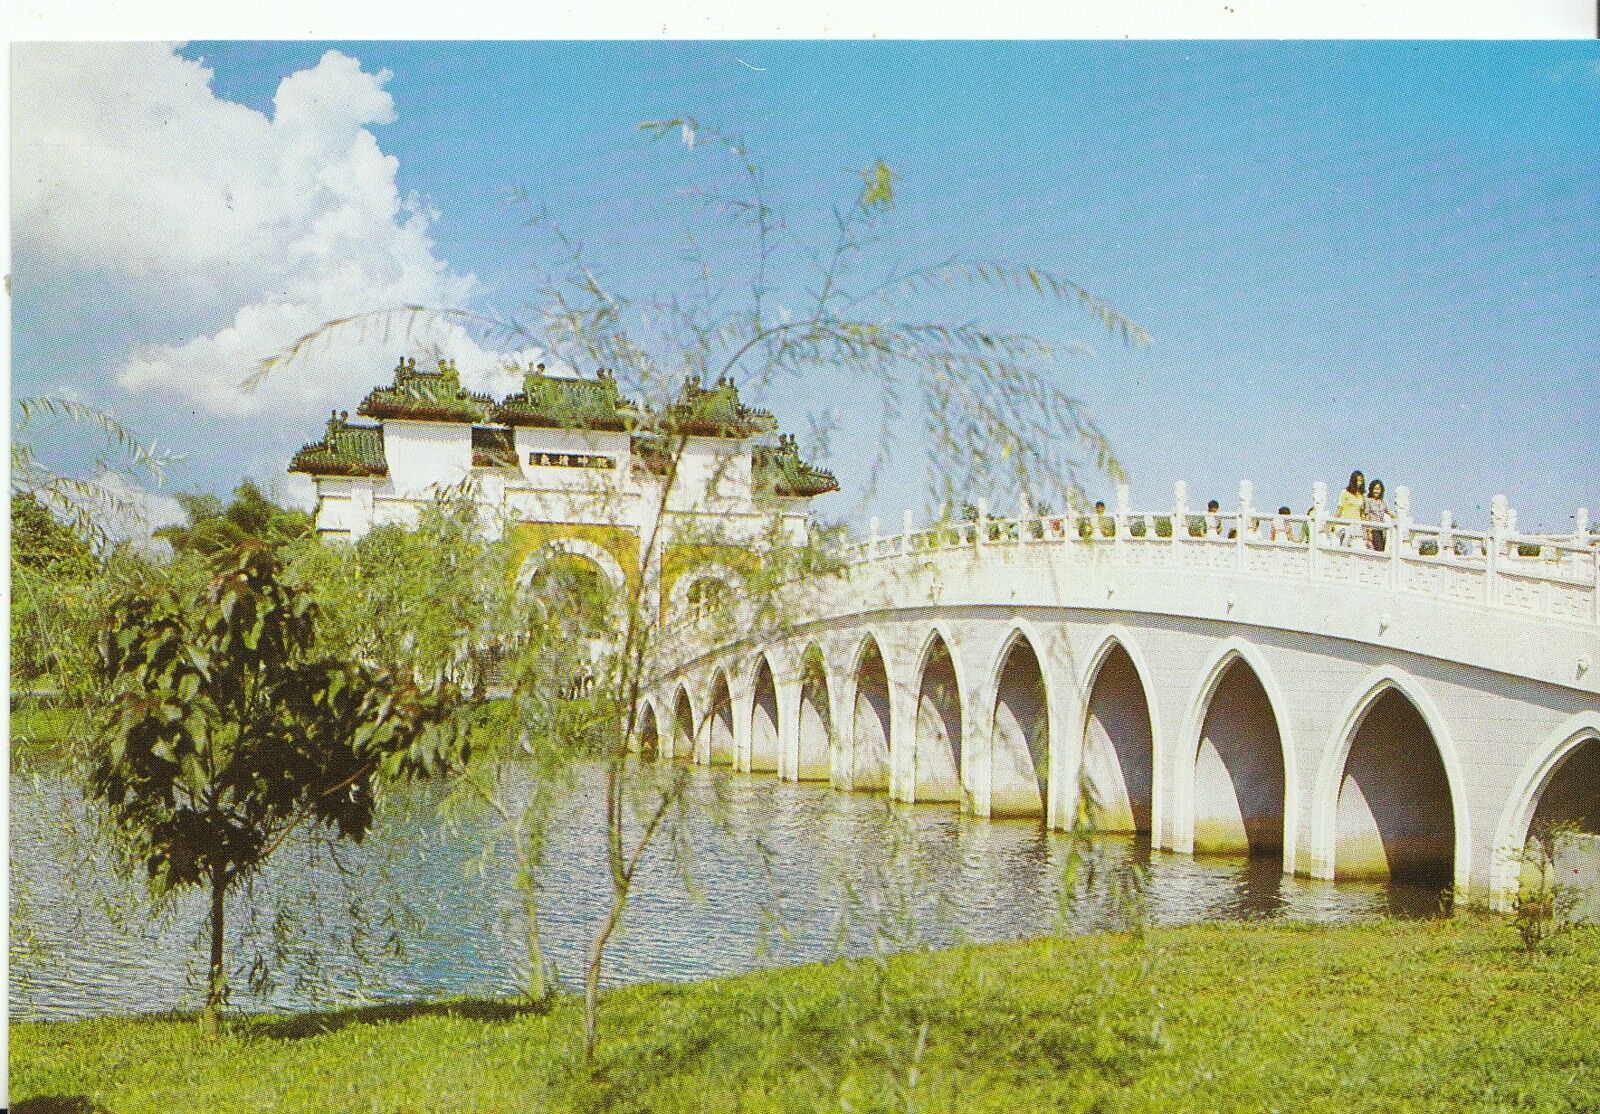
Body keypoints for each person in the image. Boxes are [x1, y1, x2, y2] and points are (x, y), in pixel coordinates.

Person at [1334, 470, 1366, 547]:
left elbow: (1362, 512)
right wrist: (1333, 524)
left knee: (1357, 546)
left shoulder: (1363, 495)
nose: (1359, 483)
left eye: (1361, 481)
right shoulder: (1345, 492)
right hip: (1346, 522)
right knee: (1345, 543)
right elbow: (1340, 508)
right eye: (1357, 480)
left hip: (1357, 523)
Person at [1364, 478, 1392, 552]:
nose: (1377, 491)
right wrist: (1369, 532)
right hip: (1373, 529)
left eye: (1378, 489)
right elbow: (1367, 516)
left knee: (1383, 549)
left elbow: (1389, 512)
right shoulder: (1368, 500)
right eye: (1375, 489)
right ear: (1371, 489)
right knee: (1378, 549)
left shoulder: (1383, 501)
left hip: (1382, 529)